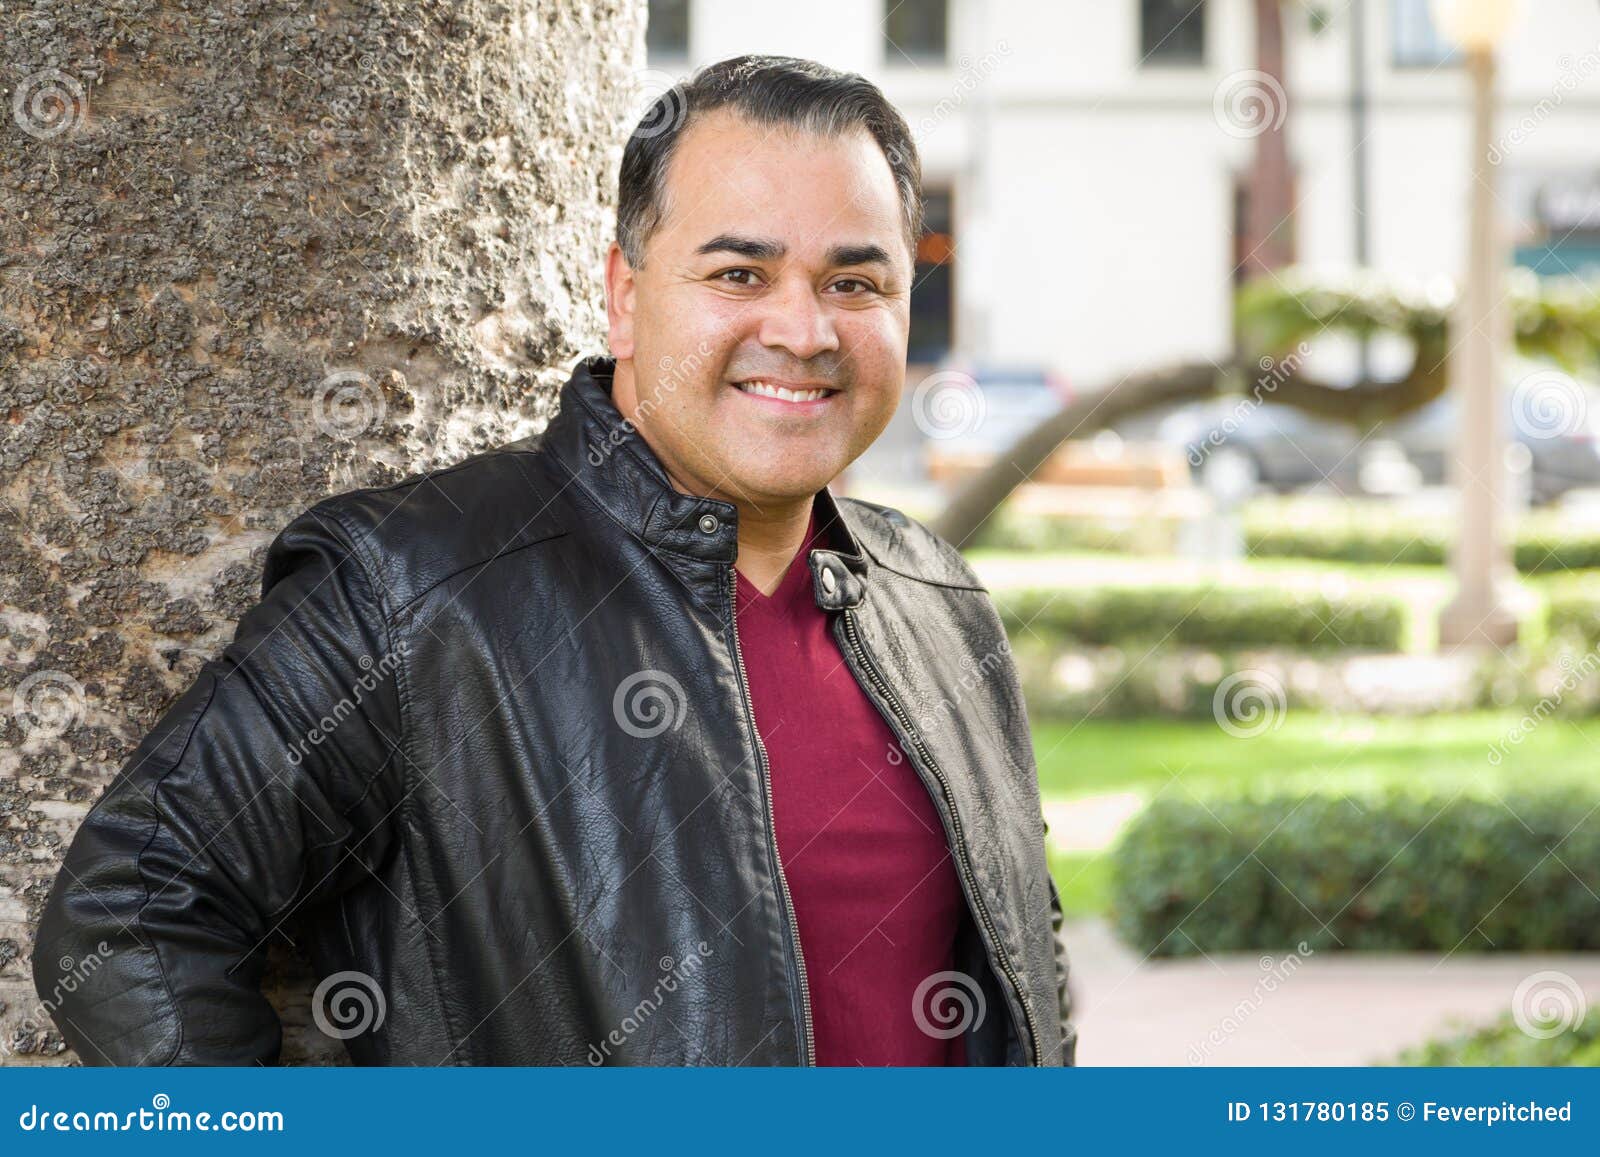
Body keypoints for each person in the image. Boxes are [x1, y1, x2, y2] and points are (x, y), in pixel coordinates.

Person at [35, 54, 1075, 1067]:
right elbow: (130, 907)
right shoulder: (412, 583)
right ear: (625, 295)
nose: (803, 330)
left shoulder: (939, 600)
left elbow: (1030, 953)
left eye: (854, 281)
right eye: (738, 274)